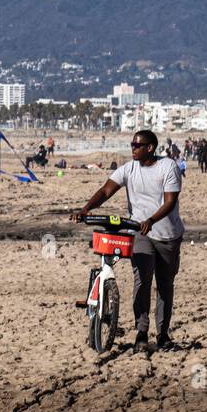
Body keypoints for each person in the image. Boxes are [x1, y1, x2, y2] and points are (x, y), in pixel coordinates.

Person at [72, 130, 184, 352]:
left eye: (137, 145)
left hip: (168, 235)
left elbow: (170, 201)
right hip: (139, 233)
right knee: (141, 281)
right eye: (132, 144)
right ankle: (141, 334)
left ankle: (162, 335)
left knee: (164, 286)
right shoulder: (128, 168)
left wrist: (151, 220)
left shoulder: (168, 167)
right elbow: (106, 190)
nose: (133, 148)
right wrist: (85, 209)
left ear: (150, 148)